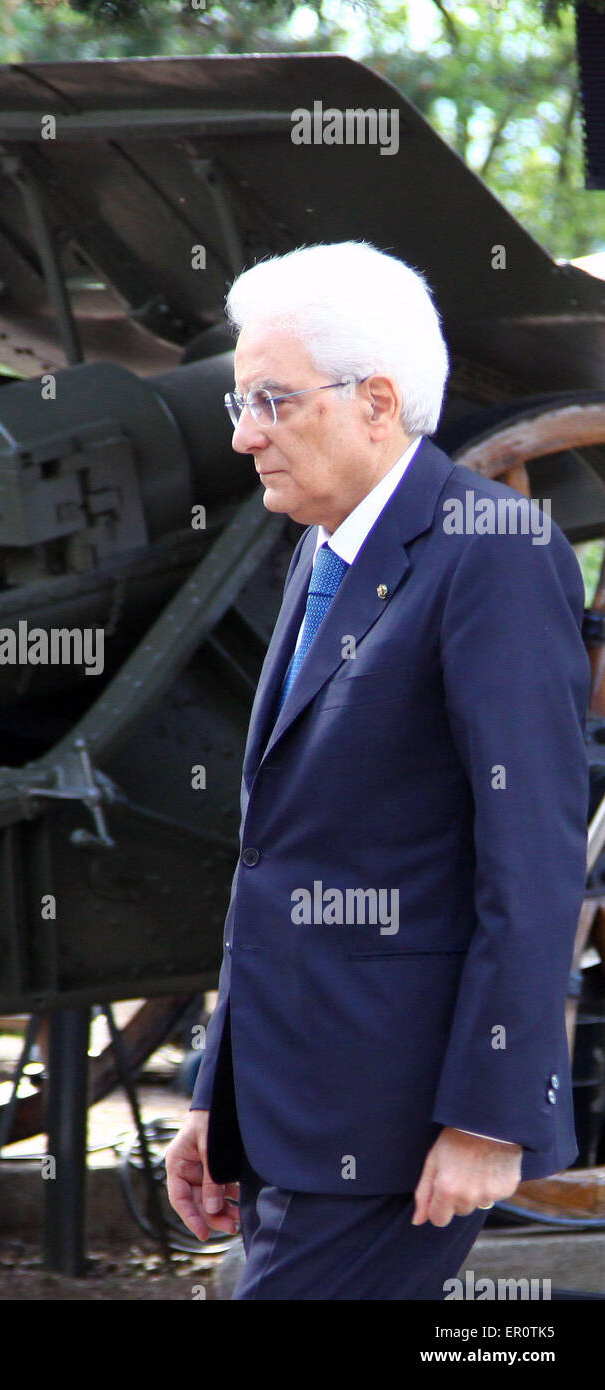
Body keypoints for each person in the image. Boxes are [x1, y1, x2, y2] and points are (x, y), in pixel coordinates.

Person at [164, 241, 588, 1299]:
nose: (242, 432)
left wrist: (491, 1116)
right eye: (238, 400)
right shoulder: (324, 547)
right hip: (292, 1118)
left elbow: (530, 860)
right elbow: (280, 859)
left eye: (270, 399)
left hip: (398, 1128)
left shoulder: (493, 552)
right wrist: (221, 1101)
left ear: (378, 402)